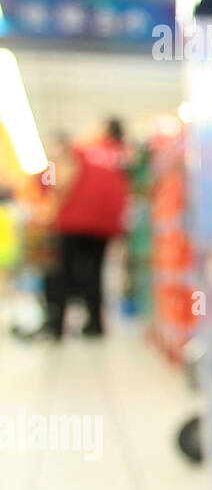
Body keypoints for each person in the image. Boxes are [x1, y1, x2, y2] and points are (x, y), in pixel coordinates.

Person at [39, 118, 130, 339]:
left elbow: (57, 181)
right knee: (95, 273)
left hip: (74, 221)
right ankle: (95, 324)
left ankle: (57, 325)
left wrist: (49, 199)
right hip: (105, 224)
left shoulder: (78, 151)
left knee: (62, 272)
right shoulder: (119, 154)